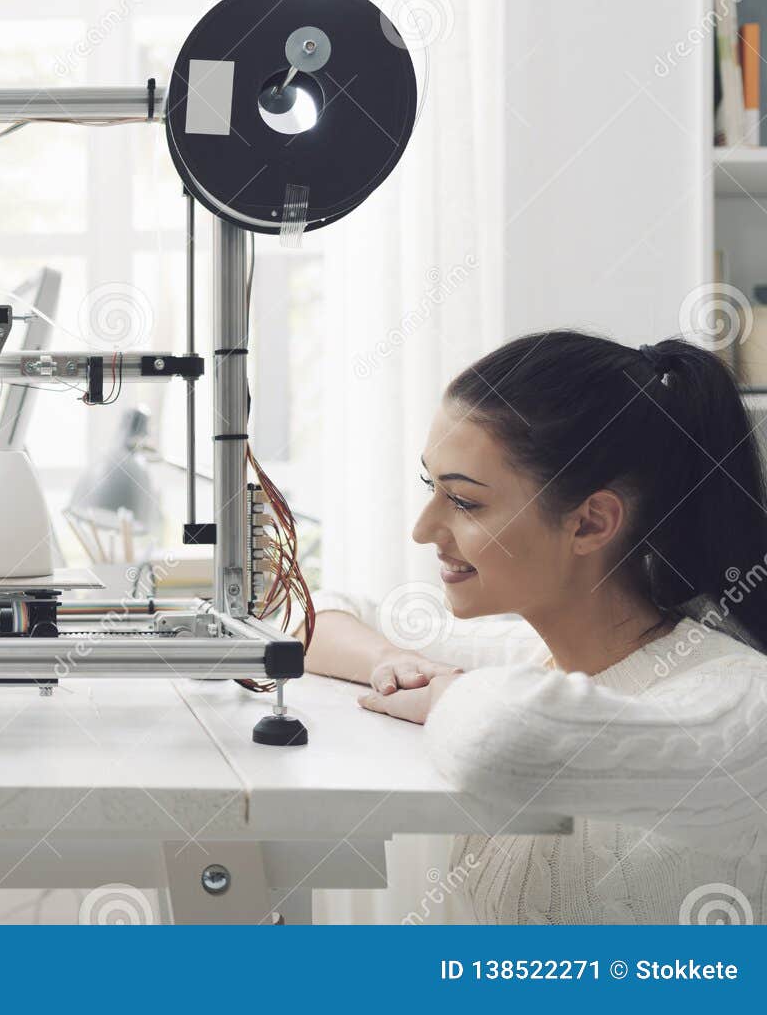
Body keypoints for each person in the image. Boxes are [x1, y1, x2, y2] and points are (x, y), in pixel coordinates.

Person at [302, 330, 767, 924]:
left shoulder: (740, 700)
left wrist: (442, 691)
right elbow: (305, 615)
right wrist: (393, 664)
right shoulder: (537, 654)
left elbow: (501, 741)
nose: (423, 529)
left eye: (464, 502)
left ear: (590, 523)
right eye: (430, 487)